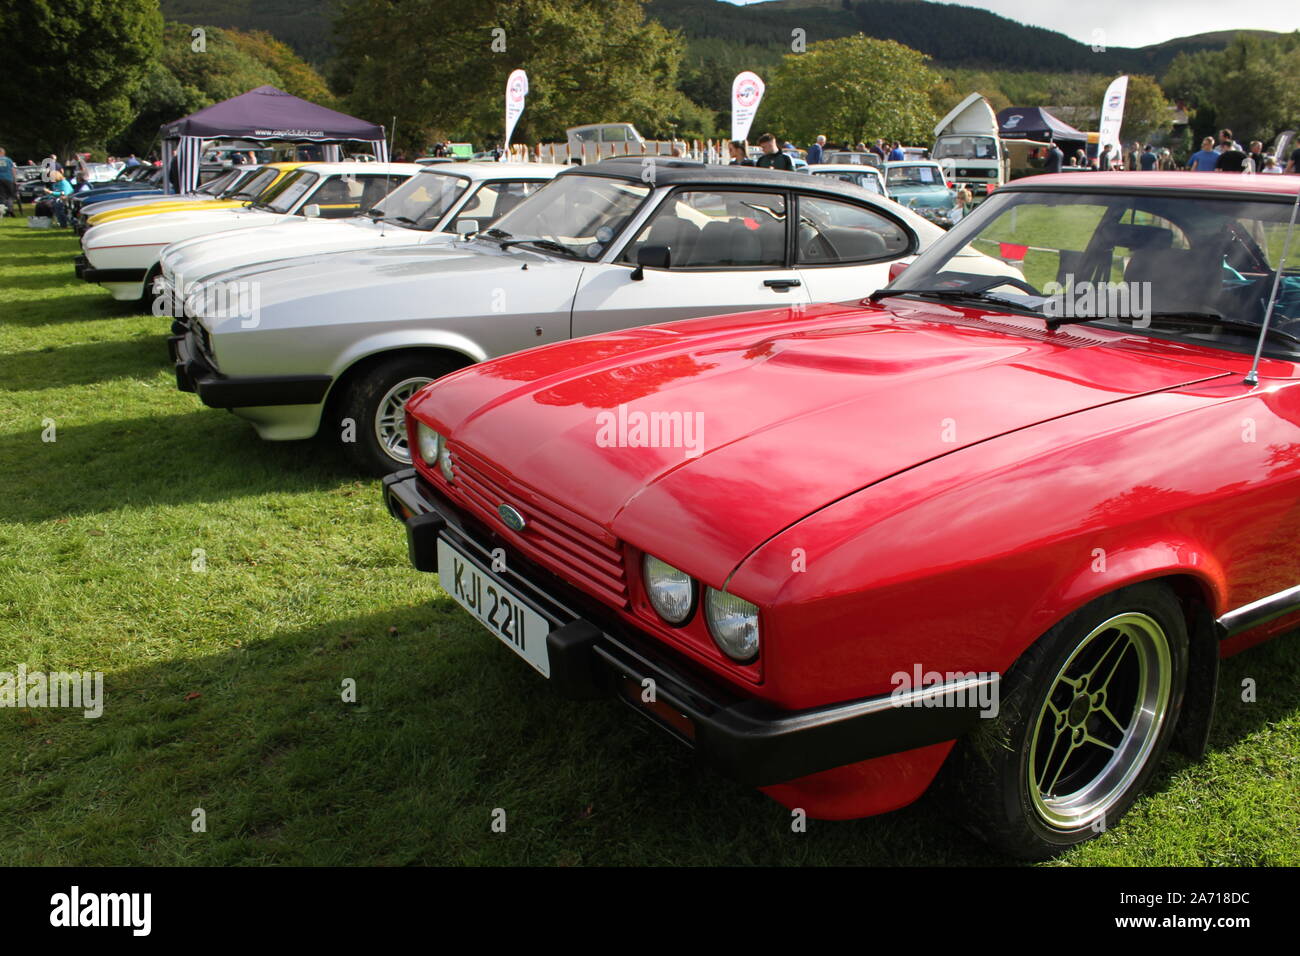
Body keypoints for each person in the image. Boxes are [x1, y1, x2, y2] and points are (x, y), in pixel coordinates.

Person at [0, 147, 16, 215]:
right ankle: (10, 209)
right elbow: (13, 170)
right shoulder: (9, 160)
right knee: (10, 195)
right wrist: (15, 180)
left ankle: (2, 211)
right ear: (3, 153)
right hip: (9, 179)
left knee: (1, 196)